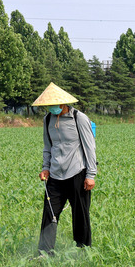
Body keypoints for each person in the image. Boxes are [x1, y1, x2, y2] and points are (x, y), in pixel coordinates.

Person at [32, 82, 97, 254]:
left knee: (80, 214)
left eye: (53, 104)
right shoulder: (47, 120)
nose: (50, 108)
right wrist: (46, 167)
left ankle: (83, 250)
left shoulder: (78, 118)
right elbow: (48, 146)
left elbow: (89, 147)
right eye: (48, 105)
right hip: (55, 175)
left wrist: (90, 175)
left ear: (62, 103)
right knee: (49, 212)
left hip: (77, 172)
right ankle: (45, 252)